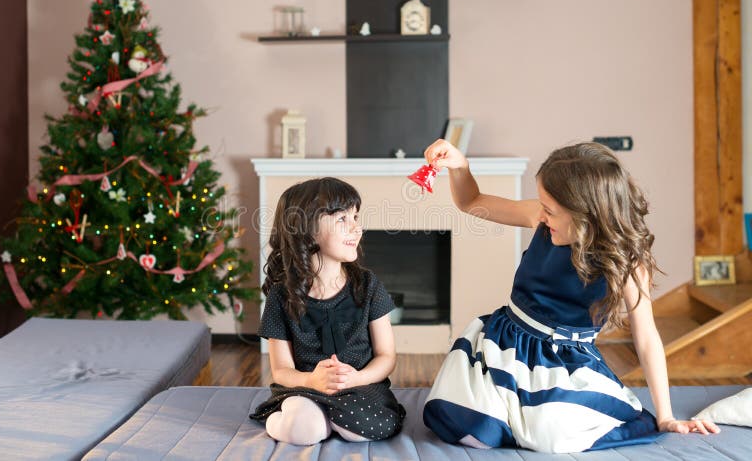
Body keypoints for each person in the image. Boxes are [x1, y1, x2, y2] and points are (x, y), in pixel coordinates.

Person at [421, 140, 720, 453]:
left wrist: (666, 416)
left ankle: (521, 419)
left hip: (566, 362)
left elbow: (646, 339)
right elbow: (472, 202)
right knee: (458, 419)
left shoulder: (627, 264)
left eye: (551, 210)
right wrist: (461, 167)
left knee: (552, 435)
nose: (543, 215)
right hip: (503, 343)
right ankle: (508, 417)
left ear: (585, 215)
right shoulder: (541, 218)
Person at [250, 177, 406, 445]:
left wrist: (357, 377)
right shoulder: (280, 295)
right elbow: (282, 371)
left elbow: (386, 356)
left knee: (365, 429)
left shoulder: (368, 286)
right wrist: (312, 380)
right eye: (342, 219)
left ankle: (331, 419)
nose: (356, 228)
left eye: (356, 217)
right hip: (306, 388)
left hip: (360, 387)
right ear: (308, 231)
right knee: (305, 430)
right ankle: (285, 420)